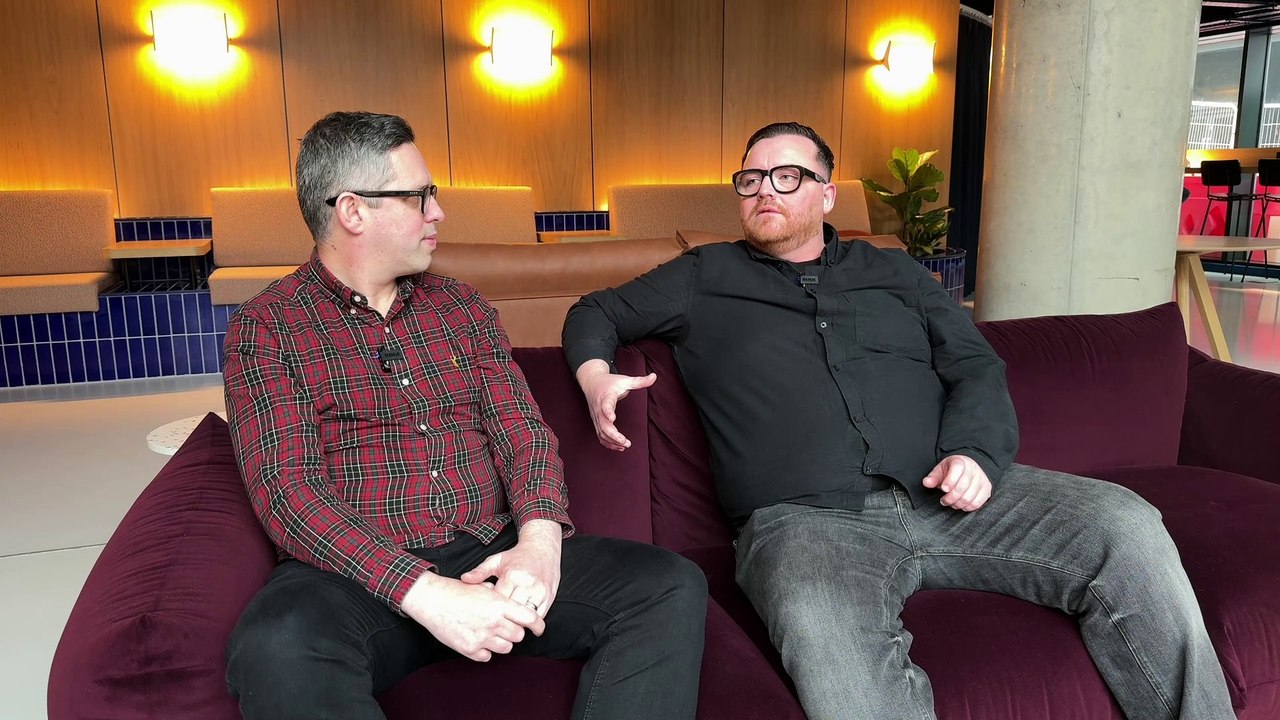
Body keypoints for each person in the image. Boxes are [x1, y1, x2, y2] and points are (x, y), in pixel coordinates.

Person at [562, 121, 1234, 720]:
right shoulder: (702, 274)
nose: (765, 189)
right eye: (751, 178)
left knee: (1126, 523)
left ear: (826, 193)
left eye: (788, 175)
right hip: (803, 524)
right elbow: (596, 311)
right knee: (827, 636)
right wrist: (596, 376)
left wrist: (975, 452)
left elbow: (975, 363)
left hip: (949, 494)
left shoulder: (895, 272)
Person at [222, 111, 706, 720]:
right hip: (359, 578)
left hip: (492, 556)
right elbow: (287, 492)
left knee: (668, 584)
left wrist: (538, 540)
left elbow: (523, 433)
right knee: (276, 644)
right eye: (420, 196)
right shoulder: (267, 326)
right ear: (352, 211)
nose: (438, 213)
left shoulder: (459, 306)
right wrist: (424, 593)